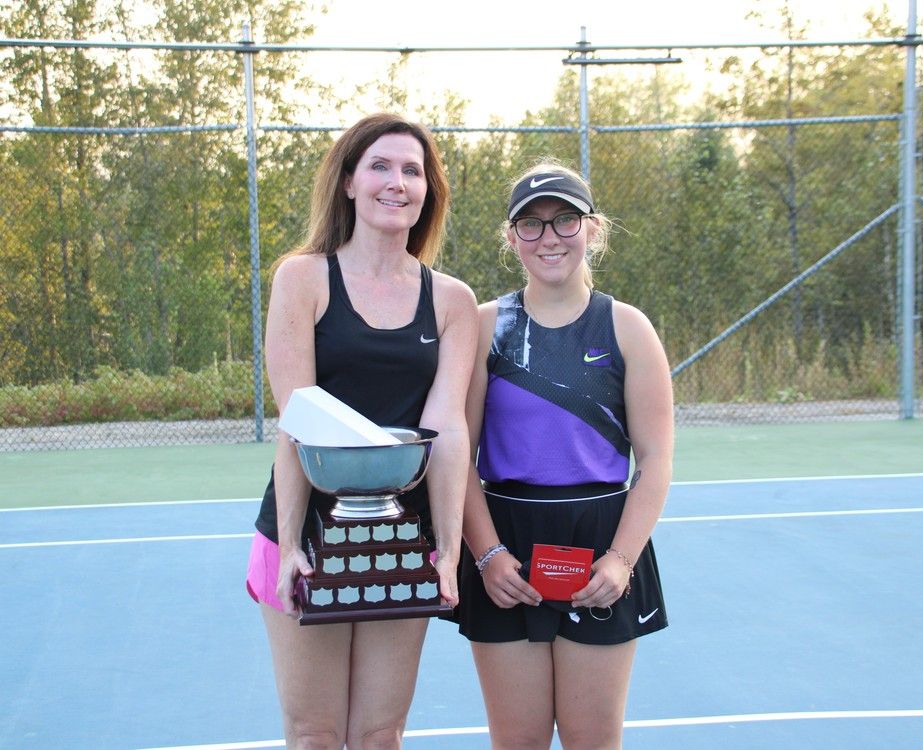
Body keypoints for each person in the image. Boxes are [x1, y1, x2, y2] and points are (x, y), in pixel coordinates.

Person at [245, 112, 478, 750]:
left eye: (412, 170)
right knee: (315, 734)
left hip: (402, 540)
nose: (396, 182)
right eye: (379, 165)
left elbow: (447, 430)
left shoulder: (452, 301)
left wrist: (449, 550)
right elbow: (297, 425)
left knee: (379, 735)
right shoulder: (303, 279)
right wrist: (292, 545)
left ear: (428, 190)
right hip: (304, 535)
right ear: (348, 182)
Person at [453, 162, 674, 749]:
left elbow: (654, 462)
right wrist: (488, 555)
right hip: (504, 544)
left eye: (564, 220)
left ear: (592, 229)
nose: (549, 237)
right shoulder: (482, 328)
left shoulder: (628, 328)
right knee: (518, 741)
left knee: (592, 741)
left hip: (601, 543)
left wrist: (621, 560)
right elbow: (459, 457)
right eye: (531, 224)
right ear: (511, 238)